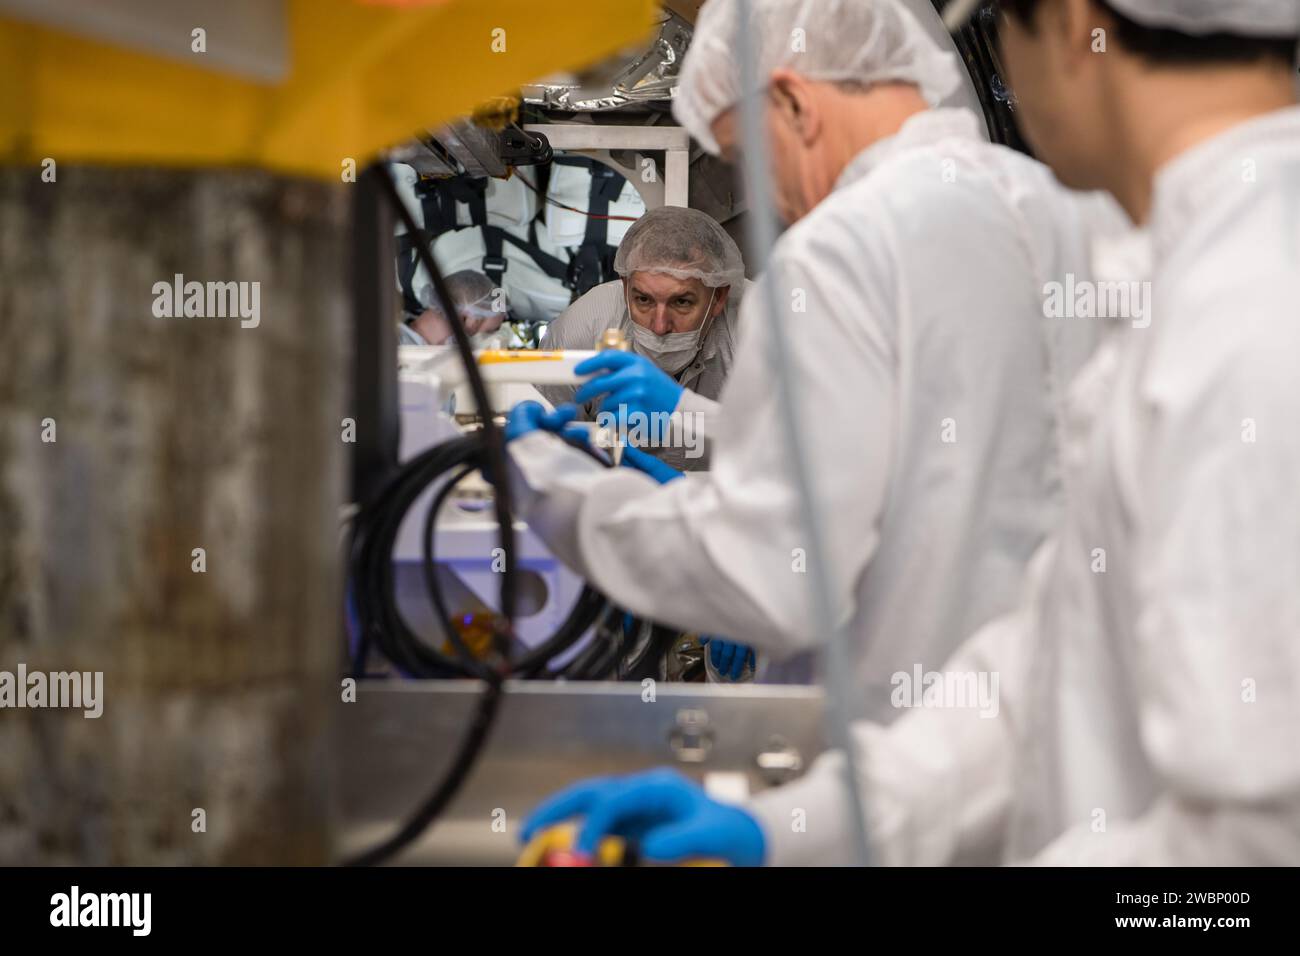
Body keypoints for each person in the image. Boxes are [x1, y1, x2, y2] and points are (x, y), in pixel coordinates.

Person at [522, 0, 1300, 866]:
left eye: (748, 160)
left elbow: (1254, 839)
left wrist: (558, 494)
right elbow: (1045, 661)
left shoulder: (1242, 304)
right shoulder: (1119, 236)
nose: (765, 198)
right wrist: (788, 830)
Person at [507, 0, 1117, 715]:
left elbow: (767, 577)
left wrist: (559, 493)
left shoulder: (837, 254)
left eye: (749, 158)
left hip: (889, 711)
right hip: (1032, 707)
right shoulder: (1068, 216)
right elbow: (894, 454)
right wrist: (704, 431)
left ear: (794, 102)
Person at [537, 205, 750, 473]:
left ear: (718, 297)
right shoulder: (586, 328)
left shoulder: (755, 328)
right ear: (626, 286)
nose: (659, 326)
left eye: (682, 302)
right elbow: (542, 447)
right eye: (643, 300)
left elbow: (785, 450)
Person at [397, 269, 503, 346]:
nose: (491, 338)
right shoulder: (392, 345)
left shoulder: (415, 346)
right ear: (469, 320)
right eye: (490, 331)